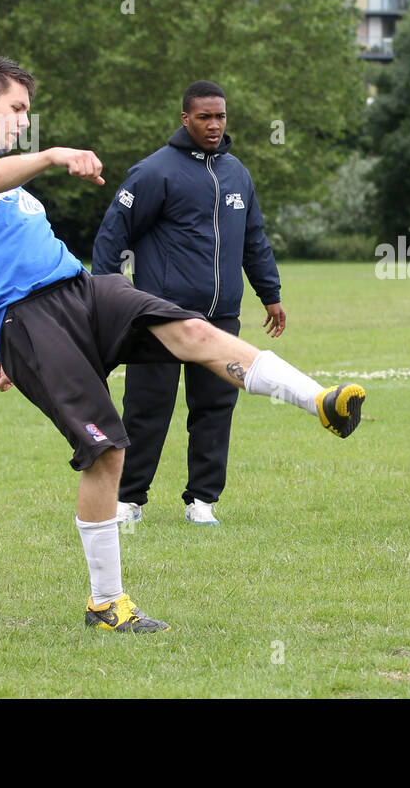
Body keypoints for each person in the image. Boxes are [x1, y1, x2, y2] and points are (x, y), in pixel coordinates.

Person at [0, 56, 365, 632]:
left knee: (196, 331)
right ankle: (106, 604)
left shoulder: (10, 181)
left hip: (80, 288)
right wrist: (54, 156)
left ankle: (321, 402)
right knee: (108, 452)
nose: (24, 123)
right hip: (29, 320)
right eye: (17, 109)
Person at [93, 81, 280, 527]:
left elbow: (253, 239)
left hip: (221, 318)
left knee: (216, 407)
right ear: (185, 119)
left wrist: (269, 294)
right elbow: (112, 236)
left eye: (220, 117)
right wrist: (109, 296)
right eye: (204, 117)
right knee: (147, 407)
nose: (214, 125)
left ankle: (202, 502)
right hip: (161, 318)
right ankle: (128, 500)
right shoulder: (155, 172)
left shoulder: (238, 174)